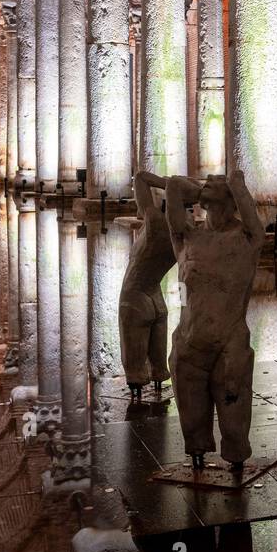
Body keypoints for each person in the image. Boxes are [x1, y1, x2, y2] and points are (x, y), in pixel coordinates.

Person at [165, 171, 264, 471]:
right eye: (206, 180)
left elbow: (254, 222)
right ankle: (197, 457)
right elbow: (172, 187)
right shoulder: (187, 236)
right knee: (192, 416)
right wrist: (201, 190)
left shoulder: (246, 238)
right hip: (189, 340)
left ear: (233, 199)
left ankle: (235, 459)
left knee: (234, 418)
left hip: (229, 340)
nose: (208, 178)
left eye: (214, 181)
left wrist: (236, 185)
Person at [118, 171, 176, 400]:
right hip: (156, 297)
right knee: (158, 363)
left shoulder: (154, 223)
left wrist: (168, 182)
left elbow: (140, 177)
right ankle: (160, 380)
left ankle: (137, 387)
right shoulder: (183, 233)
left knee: (134, 360)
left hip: (134, 297)